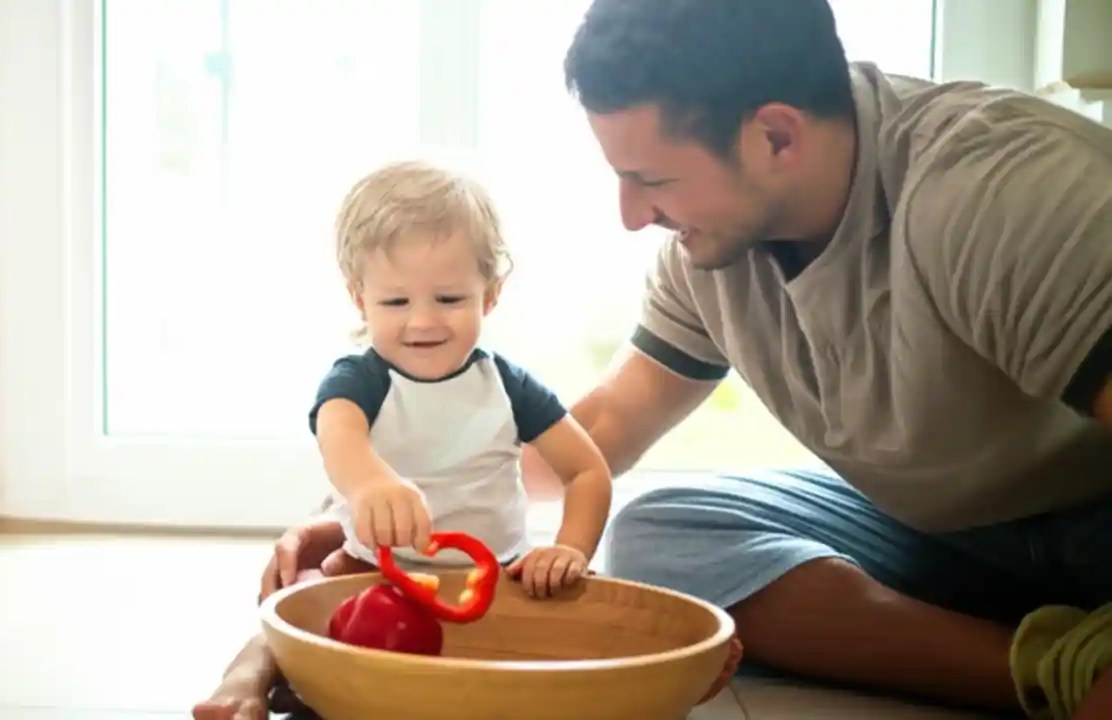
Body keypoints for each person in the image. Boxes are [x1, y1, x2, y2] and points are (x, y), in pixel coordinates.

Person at [241, 0, 1112, 718]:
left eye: (651, 180)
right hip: (935, 526)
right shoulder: (711, 258)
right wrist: (388, 516)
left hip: (1083, 517)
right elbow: (604, 429)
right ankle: (1051, 666)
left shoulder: (992, 194)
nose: (631, 214)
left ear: (775, 136)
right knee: (662, 533)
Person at [193, 160, 623, 720]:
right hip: (375, 567)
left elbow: (587, 471)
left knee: (587, 616)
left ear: (490, 295)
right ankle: (247, 674)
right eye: (396, 302)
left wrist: (570, 549)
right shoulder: (359, 380)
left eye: (449, 299)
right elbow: (338, 437)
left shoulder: (509, 386)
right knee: (298, 615)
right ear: (359, 298)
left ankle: (675, 670)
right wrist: (371, 485)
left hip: (496, 576)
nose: (423, 322)